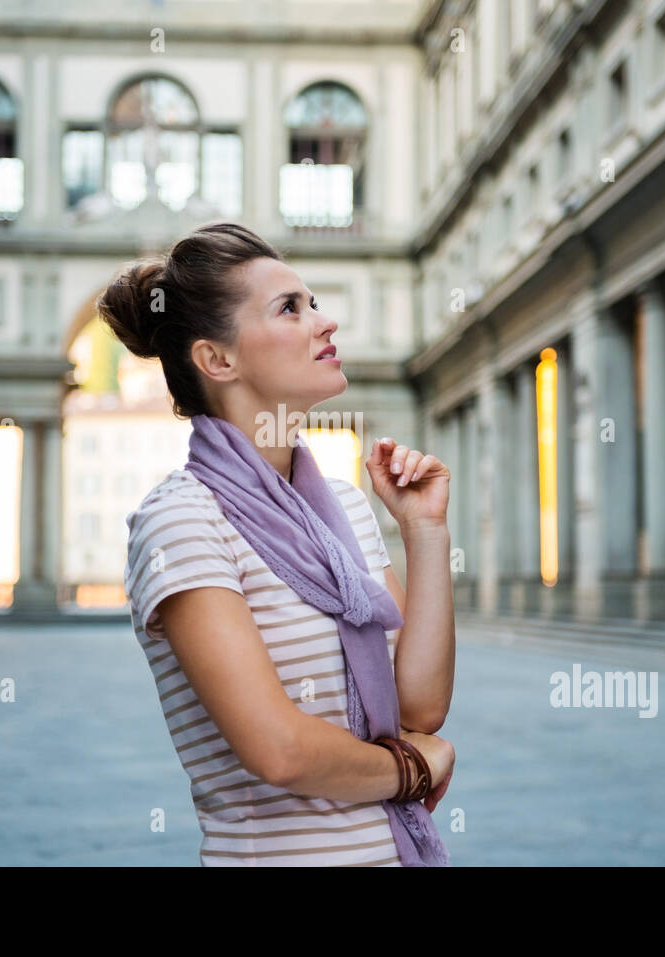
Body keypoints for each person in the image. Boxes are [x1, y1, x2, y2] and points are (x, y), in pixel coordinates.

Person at [100, 222, 455, 866]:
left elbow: (419, 708)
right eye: (290, 308)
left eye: (313, 303)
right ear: (218, 360)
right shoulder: (182, 519)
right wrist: (412, 772)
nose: (325, 323)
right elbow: (278, 751)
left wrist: (425, 533)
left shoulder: (343, 507)